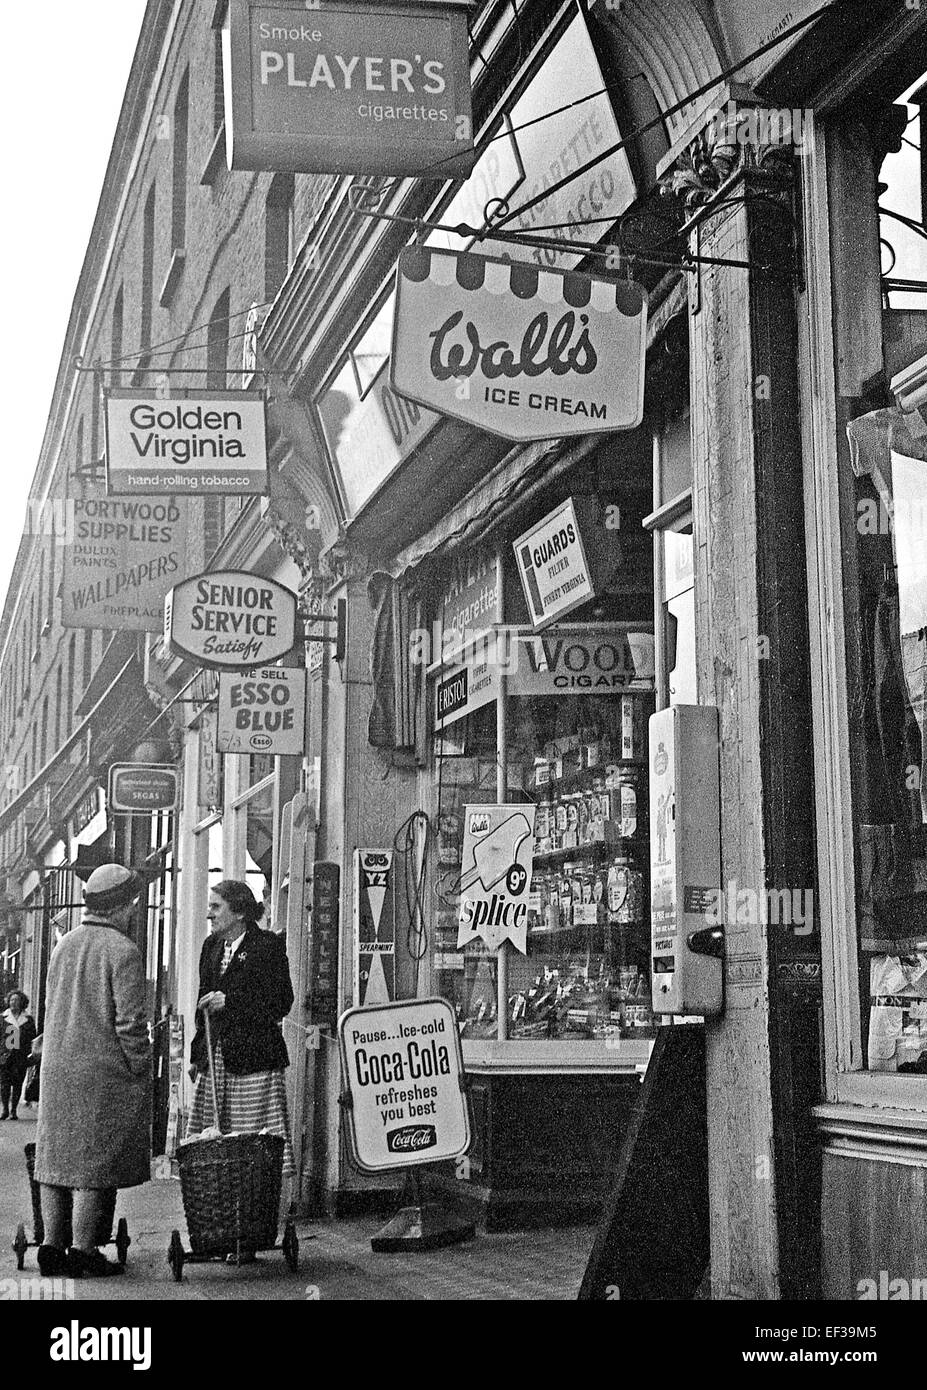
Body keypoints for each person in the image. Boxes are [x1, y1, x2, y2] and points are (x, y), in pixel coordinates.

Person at [34, 863, 151, 1278]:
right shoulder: (123, 951)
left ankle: (50, 1247)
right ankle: (84, 1251)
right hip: (101, 1072)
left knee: (55, 1158)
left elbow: (50, 1009)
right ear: (119, 906)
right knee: (93, 1163)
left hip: (58, 1066)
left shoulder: (63, 945)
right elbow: (131, 1023)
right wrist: (141, 1066)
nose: (134, 910)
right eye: (131, 902)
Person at [185, 880, 295, 1255]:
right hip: (217, 1060)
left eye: (216, 907)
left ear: (240, 912)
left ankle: (250, 1234)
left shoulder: (266, 947)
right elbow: (202, 1005)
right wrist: (197, 1056)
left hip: (255, 1061)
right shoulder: (210, 947)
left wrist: (230, 1001)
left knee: (254, 1148)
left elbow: (282, 1002)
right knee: (213, 1148)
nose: (209, 913)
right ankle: (218, 1228)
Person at [1, 990, 38, 1120]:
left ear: (22, 1002)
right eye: (11, 1000)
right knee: (4, 1084)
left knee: (17, 1083)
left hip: (20, 1056)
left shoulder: (28, 1020)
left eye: (16, 1000)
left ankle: (13, 1111)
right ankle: (4, 1109)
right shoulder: (3, 1018)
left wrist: (31, 1054)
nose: (13, 1003)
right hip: (5, 1056)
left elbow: (32, 1038)